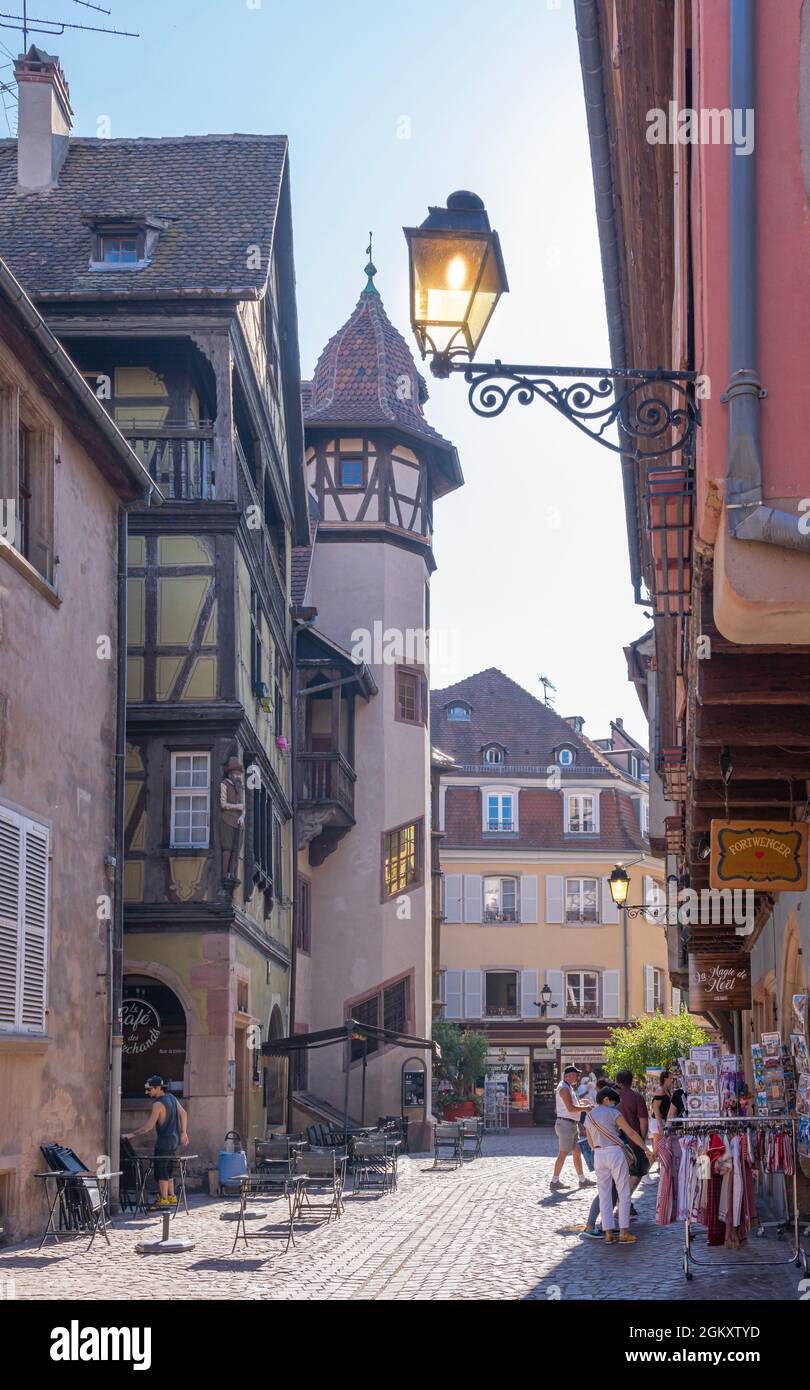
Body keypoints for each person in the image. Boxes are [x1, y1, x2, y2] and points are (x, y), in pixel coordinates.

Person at [584, 1086, 647, 1244]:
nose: (614, 1105)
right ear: (606, 1099)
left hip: (598, 1154)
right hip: (615, 1153)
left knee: (604, 1194)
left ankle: (608, 1234)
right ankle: (624, 1232)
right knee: (623, 1192)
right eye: (613, 1102)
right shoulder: (614, 1113)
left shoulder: (589, 1116)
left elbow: (590, 1141)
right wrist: (645, 1148)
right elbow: (631, 1132)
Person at [125, 1075, 189, 1210]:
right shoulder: (171, 1098)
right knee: (169, 1169)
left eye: (149, 1090)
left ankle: (164, 1200)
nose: (146, 1093)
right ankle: (171, 1196)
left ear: (157, 1088)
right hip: (174, 1141)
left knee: (162, 1171)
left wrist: (131, 1135)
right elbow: (183, 1113)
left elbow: (148, 1126)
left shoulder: (158, 1104)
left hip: (164, 1142)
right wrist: (183, 1132)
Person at [551, 1065, 595, 1191]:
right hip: (565, 1124)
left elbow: (572, 1105)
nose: (577, 1077)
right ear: (568, 1076)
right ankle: (554, 1181)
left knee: (576, 1151)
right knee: (563, 1153)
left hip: (570, 1124)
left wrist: (582, 1103)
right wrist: (585, 1108)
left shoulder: (567, 1087)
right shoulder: (564, 1088)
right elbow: (570, 1108)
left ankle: (582, 1180)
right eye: (575, 1075)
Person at [614, 1069, 649, 1216]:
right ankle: (623, 1202)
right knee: (639, 1170)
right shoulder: (636, 1097)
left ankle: (625, 1203)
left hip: (615, 1141)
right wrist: (643, 1139)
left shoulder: (612, 1097)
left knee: (622, 1173)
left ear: (618, 1082)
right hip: (633, 1141)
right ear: (631, 1080)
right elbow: (643, 1122)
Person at [650, 1070, 674, 1161]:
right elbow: (655, 1108)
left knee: (660, 1148)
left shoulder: (666, 1090)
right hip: (657, 1121)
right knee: (656, 1150)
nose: (672, 1080)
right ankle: (645, 1171)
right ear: (665, 1079)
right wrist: (660, 1125)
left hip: (660, 1121)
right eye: (670, 1078)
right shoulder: (660, 1090)